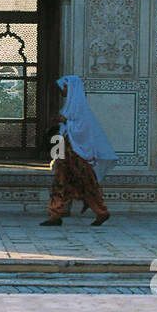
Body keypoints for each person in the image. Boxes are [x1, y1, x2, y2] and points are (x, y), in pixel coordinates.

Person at [40, 75, 118, 227]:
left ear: (72, 89)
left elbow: (82, 131)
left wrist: (64, 121)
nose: (63, 90)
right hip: (66, 153)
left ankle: (101, 212)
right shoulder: (68, 108)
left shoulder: (82, 110)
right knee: (60, 181)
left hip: (77, 154)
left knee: (87, 183)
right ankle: (55, 214)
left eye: (65, 87)